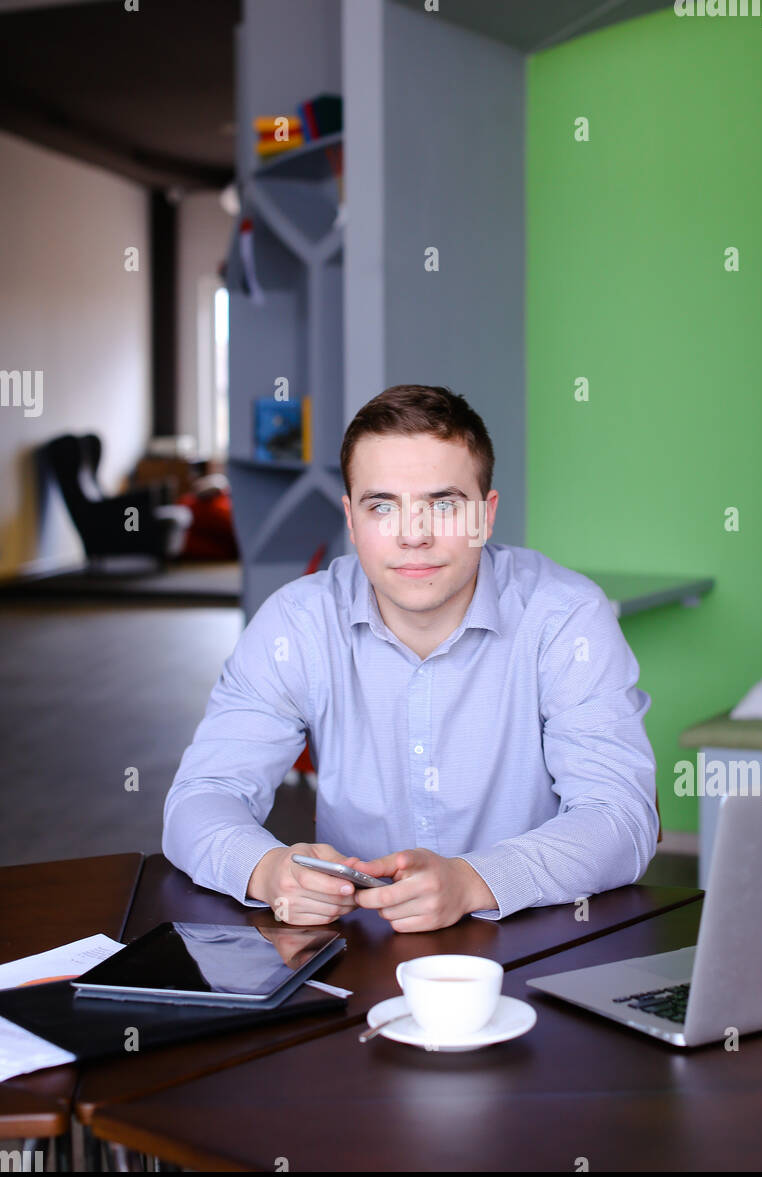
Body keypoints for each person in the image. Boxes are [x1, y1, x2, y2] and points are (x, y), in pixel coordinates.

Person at [162, 384, 657, 932]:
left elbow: (620, 818)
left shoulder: (565, 617)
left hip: (533, 941)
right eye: (382, 506)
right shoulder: (297, 622)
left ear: (485, 516)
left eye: (442, 504)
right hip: (358, 953)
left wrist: (473, 881)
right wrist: (267, 868)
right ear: (350, 520)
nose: (413, 536)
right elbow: (202, 797)